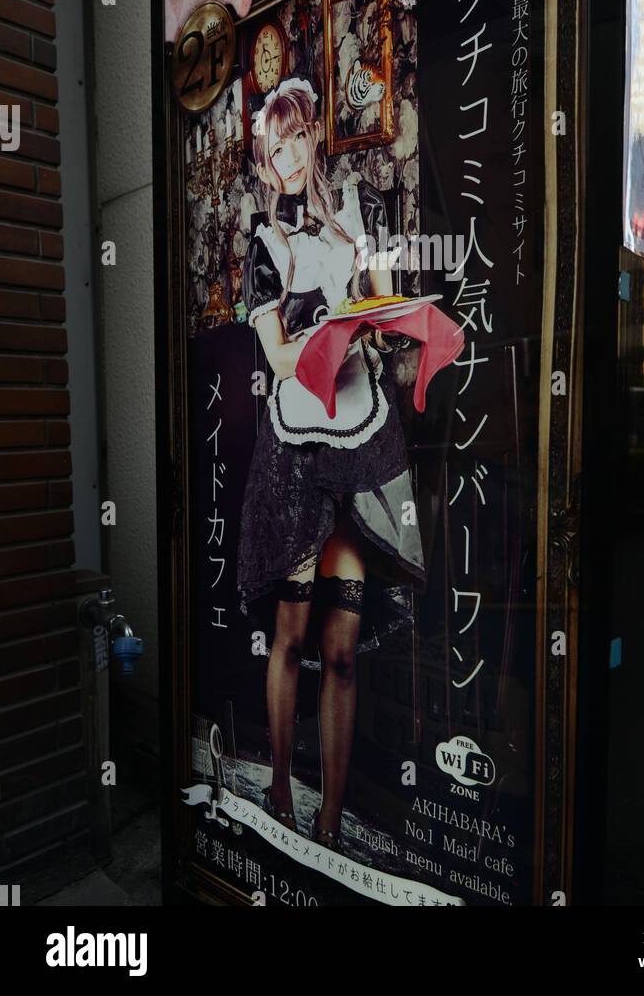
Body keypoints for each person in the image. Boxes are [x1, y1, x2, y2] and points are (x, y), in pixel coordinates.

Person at [237, 76, 424, 852]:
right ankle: (281, 782)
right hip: (295, 451)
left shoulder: (363, 216)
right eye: (267, 144)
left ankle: (331, 813)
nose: (281, 154)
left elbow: (390, 307)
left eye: (291, 137)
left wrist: (387, 332)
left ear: (313, 135)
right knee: (290, 631)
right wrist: (328, 332)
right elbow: (277, 357)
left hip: (359, 440)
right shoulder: (261, 242)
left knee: (342, 643)